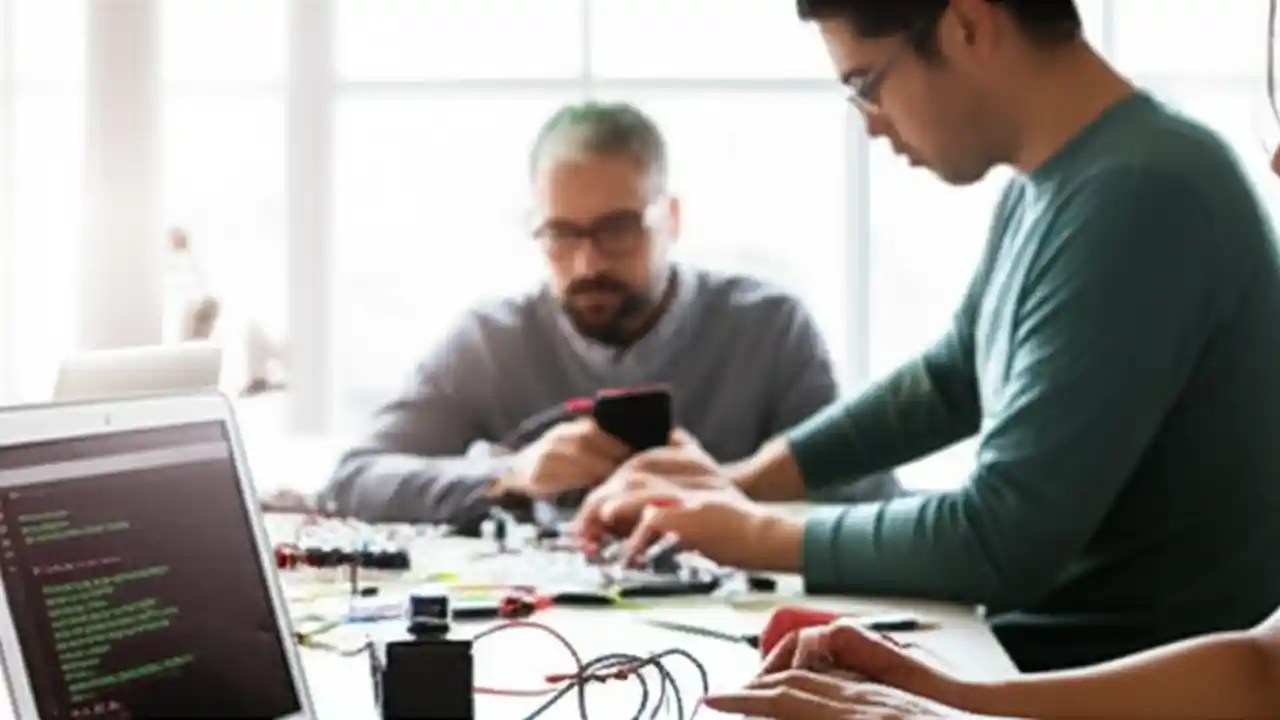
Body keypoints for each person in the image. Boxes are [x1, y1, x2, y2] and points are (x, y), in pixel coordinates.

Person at [574, 0, 1280, 672]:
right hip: (1047, 652)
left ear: (968, 23)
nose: (872, 124)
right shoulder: (1056, 182)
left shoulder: (1142, 193)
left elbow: (1000, 540)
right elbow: (950, 379)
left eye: (867, 85)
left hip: (1109, 676)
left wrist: (751, 532)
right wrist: (742, 483)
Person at [312, 101, 899, 533]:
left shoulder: (769, 328)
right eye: (561, 234)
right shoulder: (491, 342)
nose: (587, 263)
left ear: (671, 218)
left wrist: (733, 487)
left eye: (617, 230)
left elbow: (866, 498)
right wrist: (511, 475)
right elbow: (354, 479)